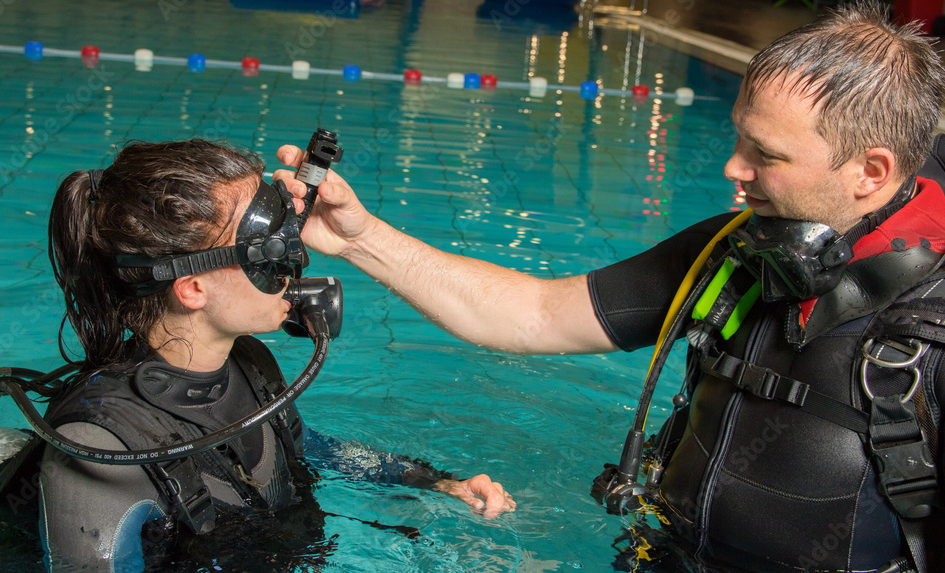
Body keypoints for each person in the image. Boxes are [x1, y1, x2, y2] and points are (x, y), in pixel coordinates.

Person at [273, 4, 945, 572]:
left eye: (765, 154)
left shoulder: (932, 328)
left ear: (870, 171)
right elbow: (535, 314)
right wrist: (358, 237)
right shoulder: (733, 250)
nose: (732, 168)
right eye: (740, 138)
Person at [39, 139, 515, 572]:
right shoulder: (99, 449)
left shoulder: (248, 365)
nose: (295, 261)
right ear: (193, 288)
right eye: (266, 247)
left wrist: (435, 482)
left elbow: (308, 446)